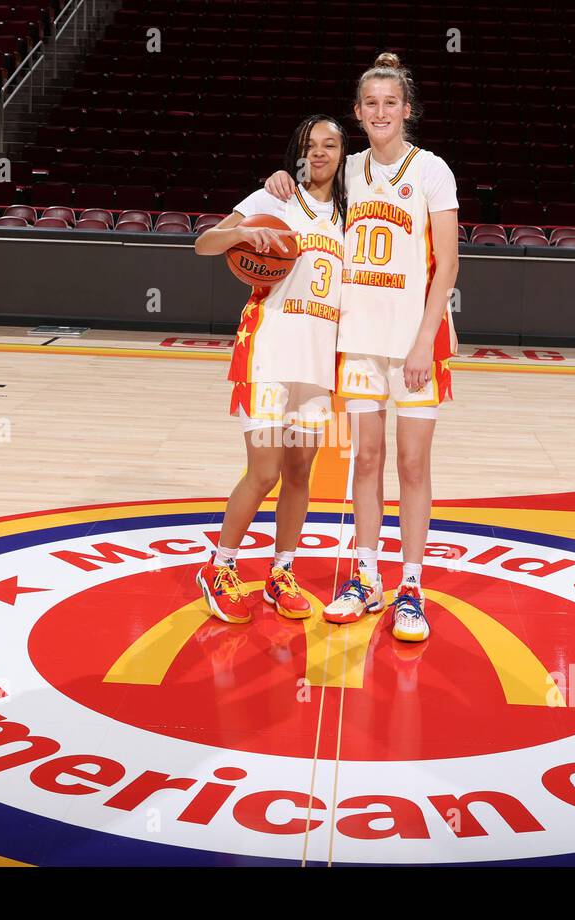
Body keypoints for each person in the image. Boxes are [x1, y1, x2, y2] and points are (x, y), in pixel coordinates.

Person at [265, 53, 458, 642]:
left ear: (406, 110)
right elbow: (303, 190)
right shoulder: (346, 169)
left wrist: (425, 340)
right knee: (365, 461)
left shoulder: (431, 171)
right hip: (358, 343)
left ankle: (413, 585)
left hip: (416, 342)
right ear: (358, 112)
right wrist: (279, 180)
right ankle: (367, 574)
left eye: (390, 103)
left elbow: (447, 263)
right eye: (370, 104)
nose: (380, 112)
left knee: (413, 464)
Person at [193, 115, 348, 623]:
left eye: (330, 145)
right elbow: (205, 244)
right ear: (298, 152)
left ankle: (281, 572)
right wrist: (244, 234)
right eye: (311, 145)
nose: (320, 153)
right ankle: (220, 567)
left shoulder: (350, 216)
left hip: (318, 362)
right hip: (269, 353)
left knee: (301, 471)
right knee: (264, 471)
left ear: (344, 155)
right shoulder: (274, 201)